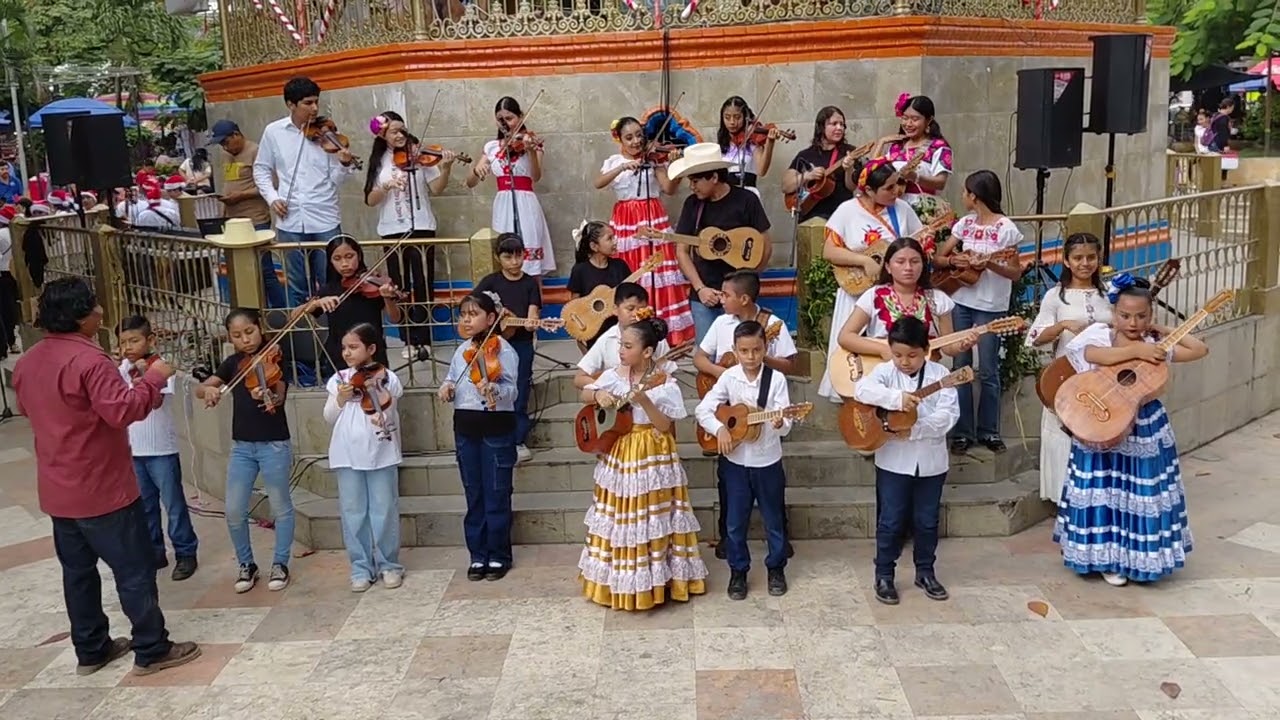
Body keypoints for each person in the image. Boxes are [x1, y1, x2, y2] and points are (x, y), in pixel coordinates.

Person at [12, 278, 201, 676]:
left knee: (78, 575)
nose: (101, 311)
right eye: (95, 305)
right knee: (134, 571)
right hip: (103, 488)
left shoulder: (28, 361)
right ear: (83, 316)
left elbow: (31, 411)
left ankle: (91, 649)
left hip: (58, 489)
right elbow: (121, 412)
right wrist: (153, 378)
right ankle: (152, 648)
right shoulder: (89, 360)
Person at [1053, 275, 1207, 586]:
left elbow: (1200, 349)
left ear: (1151, 315)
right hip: (1101, 421)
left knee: (1139, 491)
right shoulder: (1101, 335)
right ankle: (1103, 559)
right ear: (1113, 314)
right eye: (1125, 315)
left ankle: (1135, 557)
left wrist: (1164, 333)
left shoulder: (1157, 346)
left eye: (1141, 316)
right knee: (1102, 489)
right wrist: (1136, 352)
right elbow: (1093, 356)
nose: (1133, 323)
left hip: (1144, 426)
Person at [579, 310, 709, 610]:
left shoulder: (662, 382)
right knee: (619, 515)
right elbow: (585, 392)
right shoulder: (613, 375)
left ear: (647, 352)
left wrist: (645, 401)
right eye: (620, 345)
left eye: (627, 346)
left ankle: (659, 581)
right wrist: (598, 397)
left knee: (654, 516)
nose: (621, 351)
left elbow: (665, 426)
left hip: (651, 450)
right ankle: (617, 582)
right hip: (619, 450)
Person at [853, 316, 960, 605]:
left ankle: (925, 571)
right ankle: (884, 574)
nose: (905, 362)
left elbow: (948, 415)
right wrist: (896, 399)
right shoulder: (885, 372)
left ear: (926, 350)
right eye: (898, 355)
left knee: (927, 520)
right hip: (892, 462)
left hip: (931, 462)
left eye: (912, 355)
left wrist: (915, 429)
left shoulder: (942, 375)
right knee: (890, 520)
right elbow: (862, 391)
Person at [694, 269, 797, 553]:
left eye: (726, 295)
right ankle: (731, 545)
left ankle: (778, 551)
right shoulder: (721, 323)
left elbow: (791, 365)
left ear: (744, 298)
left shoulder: (772, 323)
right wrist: (726, 373)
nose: (720, 299)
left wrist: (760, 361)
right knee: (729, 491)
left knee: (772, 500)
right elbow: (700, 358)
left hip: (764, 421)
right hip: (729, 411)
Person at [194, 308, 296, 594]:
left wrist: (268, 395)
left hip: (273, 444)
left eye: (249, 332)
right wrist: (209, 391)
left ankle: (280, 563)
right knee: (234, 509)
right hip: (242, 447)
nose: (245, 340)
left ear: (259, 328)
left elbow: (279, 394)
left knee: (281, 507)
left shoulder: (276, 356)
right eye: (237, 336)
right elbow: (201, 390)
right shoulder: (232, 364)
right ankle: (246, 564)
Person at [695, 320, 792, 600]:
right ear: (735, 351)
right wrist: (721, 429)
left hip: (768, 461)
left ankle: (776, 567)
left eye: (757, 350)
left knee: (774, 519)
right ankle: (738, 571)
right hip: (735, 462)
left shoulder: (776, 380)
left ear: (766, 348)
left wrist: (779, 423)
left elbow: (787, 421)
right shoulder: (729, 378)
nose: (751, 357)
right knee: (735, 522)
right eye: (744, 351)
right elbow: (704, 410)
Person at [253, 76, 358, 329]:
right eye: (307, 103)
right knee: (296, 282)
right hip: (290, 219)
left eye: (316, 102)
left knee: (329, 281)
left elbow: (336, 180)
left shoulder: (328, 135)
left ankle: (334, 332)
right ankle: (301, 335)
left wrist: (344, 164)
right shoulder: (274, 132)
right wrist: (273, 197)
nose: (314, 109)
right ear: (291, 104)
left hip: (324, 217)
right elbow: (261, 169)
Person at [934, 170, 1023, 454]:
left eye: (965, 191)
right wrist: (957, 260)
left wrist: (990, 264)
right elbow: (938, 257)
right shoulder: (965, 224)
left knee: (988, 369)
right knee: (960, 365)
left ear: (975, 195)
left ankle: (989, 430)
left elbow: (1015, 272)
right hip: (961, 298)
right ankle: (962, 432)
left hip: (990, 305)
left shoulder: (1006, 228)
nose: (963, 196)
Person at [818, 159, 920, 401]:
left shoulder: (903, 210)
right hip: (857, 292)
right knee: (852, 349)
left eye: (898, 185)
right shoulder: (847, 210)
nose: (897, 192)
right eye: (889, 188)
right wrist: (863, 261)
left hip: (895, 294)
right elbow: (829, 251)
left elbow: (916, 244)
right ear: (869, 190)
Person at [439, 291, 520, 581]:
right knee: (473, 493)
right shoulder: (461, 351)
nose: (466, 319)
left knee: (496, 492)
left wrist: (494, 390)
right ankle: (477, 554)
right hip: (466, 428)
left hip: (496, 428)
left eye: (473, 314)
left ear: (490, 317)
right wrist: (446, 388)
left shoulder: (505, 351)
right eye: (463, 315)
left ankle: (498, 554)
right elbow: (452, 378)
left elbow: (513, 391)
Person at [1026, 233, 1110, 503]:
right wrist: (1062, 326)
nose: (1085, 263)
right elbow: (1035, 338)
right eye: (1078, 258)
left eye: (1091, 257)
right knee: (1063, 437)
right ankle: (1064, 500)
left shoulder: (1109, 294)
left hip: (1104, 377)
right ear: (1066, 261)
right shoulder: (1055, 297)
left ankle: (1098, 498)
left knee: (1102, 433)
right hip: (1066, 376)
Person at [365, 110, 456, 359]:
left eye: (402, 129)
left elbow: (436, 188)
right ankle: (407, 338)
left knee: (423, 282)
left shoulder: (417, 153)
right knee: (398, 286)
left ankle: (424, 339)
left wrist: (445, 168)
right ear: (383, 134)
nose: (400, 135)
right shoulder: (379, 161)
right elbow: (370, 200)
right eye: (394, 131)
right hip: (392, 230)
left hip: (422, 226)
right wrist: (385, 186)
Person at [116, 315, 199, 581]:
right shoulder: (121, 369)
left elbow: (154, 402)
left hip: (161, 449)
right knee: (145, 506)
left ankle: (186, 552)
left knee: (173, 504)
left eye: (134, 340)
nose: (128, 347)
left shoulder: (161, 367)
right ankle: (154, 551)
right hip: (134, 449)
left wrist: (144, 376)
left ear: (150, 340)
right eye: (123, 342)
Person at [595, 115, 691, 344]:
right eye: (629, 137)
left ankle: (663, 328)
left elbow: (669, 189)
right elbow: (598, 183)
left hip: (653, 216)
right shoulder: (614, 161)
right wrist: (622, 167)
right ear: (619, 139)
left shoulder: (653, 159)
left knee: (658, 271)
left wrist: (675, 167)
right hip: (626, 218)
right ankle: (634, 327)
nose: (636, 141)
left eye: (639, 135)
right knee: (633, 271)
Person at [324, 323, 405, 592]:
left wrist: (376, 392)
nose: (347, 353)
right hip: (346, 453)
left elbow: (389, 408)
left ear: (370, 349)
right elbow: (329, 418)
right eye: (344, 347)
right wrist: (340, 399)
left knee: (383, 509)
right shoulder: (339, 380)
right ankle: (360, 567)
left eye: (354, 347)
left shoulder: (388, 377)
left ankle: (389, 564)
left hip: (381, 452)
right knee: (353, 512)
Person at [668, 142, 772, 342]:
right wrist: (700, 289)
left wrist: (749, 279)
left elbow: (765, 244)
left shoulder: (747, 200)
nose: (692, 186)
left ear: (714, 177)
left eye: (696, 180)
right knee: (706, 354)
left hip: (739, 298)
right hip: (705, 294)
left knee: (744, 349)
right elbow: (682, 252)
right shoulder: (692, 205)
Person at [835, 237, 972, 361]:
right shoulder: (873, 295)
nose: (908, 268)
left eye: (914, 262)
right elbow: (845, 337)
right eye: (900, 262)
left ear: (923, 265)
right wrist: (882, 349)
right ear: (888, 267)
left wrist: (963, 345)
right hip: (884, 372)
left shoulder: (937, 299)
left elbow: (948, 348)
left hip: (926, 376)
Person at [465, 96, 554, 279]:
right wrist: (476, 170)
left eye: (509, 118)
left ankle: (534, 303)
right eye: (500, 119)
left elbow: (536, 176)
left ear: (521, 117)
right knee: (505, 253)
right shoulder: (491, 147)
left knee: (530, 258)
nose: (505, 123)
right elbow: (470, 182)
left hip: (526, 201)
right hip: (503, 202)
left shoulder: (531, 142)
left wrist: (530, 150)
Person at [292, 235, 402, 381]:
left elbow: (395, 318)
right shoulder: (328, 290)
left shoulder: (374, 285)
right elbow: (294, 316)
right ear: (330, 262)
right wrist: (315, 304)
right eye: (337, 259)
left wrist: (388, 298)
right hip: (340, 354)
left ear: (359, 255)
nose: (344, 263)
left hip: (371, 353)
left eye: (349, 256)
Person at [475, 233, 541, 462]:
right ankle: (494, 436)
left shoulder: (530, 283)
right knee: (492, 386)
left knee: (520, 388)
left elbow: (533, 314)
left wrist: (531, 322)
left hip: (521, 344)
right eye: (508, 256)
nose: (514, 262)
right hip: (494, 345)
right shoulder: (490, 282)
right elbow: (473, 308)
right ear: (498, 257)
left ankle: (518, 439)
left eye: (518, 255)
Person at [210, 119, 280, 307]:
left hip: (255, 219)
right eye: (221, 144)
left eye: (226, 142)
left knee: (264, 269)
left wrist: (241, 195)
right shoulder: (225, 155)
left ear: (236, 135)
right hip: (232, 220)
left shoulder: (256, 151)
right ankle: (253, 310)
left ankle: (281, 312)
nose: (224, 147)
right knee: (240, 271)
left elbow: (271, 185)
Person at [573, 281, 673, 389]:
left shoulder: (656, 337)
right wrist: (606, 391)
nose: (635, 314)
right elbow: (579, 378)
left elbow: (669, 376)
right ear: (615, 309)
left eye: (641, 309)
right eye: (630, 309)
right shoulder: (607, 340)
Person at [781, 106, 862, 224]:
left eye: (842, 124)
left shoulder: (849, 152)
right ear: (821, 127)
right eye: (834, 124)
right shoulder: (806, 155)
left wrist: (849, 169)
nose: (839, 128)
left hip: (841, 217)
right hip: (810, 218)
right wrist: (808, 176)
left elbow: (852, 187)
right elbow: (786, 186)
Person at [566, 220, 631, 350]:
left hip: (619, 330)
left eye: (614, 237)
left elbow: (630, 296)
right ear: (594, 246)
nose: (615, 242)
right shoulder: (580, 270)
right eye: (609, 239)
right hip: (593, 331)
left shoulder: (620, 266)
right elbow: (574, 305)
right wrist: (580, 335)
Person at [885, 94, 953, 203]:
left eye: (915, 119)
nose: (908, 124)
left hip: (924, 208)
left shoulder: (938, 147)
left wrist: (914, 177)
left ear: (929, 120)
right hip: (895, 204)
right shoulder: (896, 147)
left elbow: (940, 183)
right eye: (905, 118)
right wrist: (881, 142)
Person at [717, 96, 781, 198]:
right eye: (727, 117)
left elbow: (761, 171)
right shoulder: (722, 144)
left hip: (748, 194)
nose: (732, 122)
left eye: (737, 117)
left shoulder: (752, 141)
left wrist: (770, 143)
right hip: (725, 195)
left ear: (745, 117)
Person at [0, 204, 18, 356]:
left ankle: (8, 342)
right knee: (12, 308)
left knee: (5, 310)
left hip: (3, 275)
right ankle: (12, 342)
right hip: (15, 273)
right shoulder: (16, 233)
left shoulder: (1, 234)